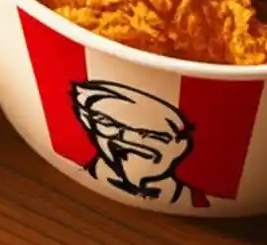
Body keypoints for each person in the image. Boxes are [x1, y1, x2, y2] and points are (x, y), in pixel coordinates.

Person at [71, 80, 208, 207]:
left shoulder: (201, 202)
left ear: (181, 145)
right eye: (109, 123)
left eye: (152, 134)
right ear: (86, 120)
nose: (128, 140)